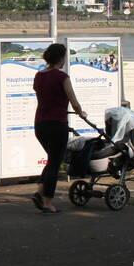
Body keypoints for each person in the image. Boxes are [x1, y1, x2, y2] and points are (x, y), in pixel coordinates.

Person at [32, 43, 87, 213]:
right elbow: (73, 100)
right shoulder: (62, 77)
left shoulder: (38, 76)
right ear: (61, 58)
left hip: (40, 124)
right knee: (55, 163)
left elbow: (46, 96)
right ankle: (47, 202)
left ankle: (40, 192)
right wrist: (81, 112)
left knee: (52, 159)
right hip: (57, 124)